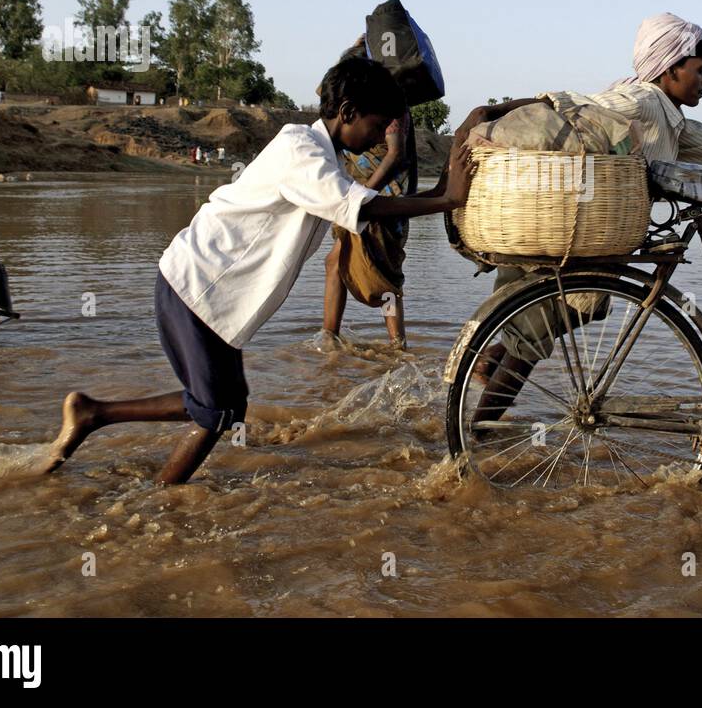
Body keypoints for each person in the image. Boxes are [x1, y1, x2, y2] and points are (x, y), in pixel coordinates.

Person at [42, 55, 475, 484]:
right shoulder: (300, 151)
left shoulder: (319, 156)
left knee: (224, 405)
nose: (382, 134)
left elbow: (357, 200)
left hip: (209, 293)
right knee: (216, 413)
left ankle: (93, 413)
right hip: (198, 287)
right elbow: (360, 205)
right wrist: (445, 200)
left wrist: (439, 188)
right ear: (347, 113)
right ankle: (160, 499)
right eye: (379, 124)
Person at [463, 11, 702, 428]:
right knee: (540, 326)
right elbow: (574, 106)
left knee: (569, 311)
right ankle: (476, 438)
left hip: (578, 227)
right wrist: (493, 111)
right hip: (571, 226)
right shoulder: (639, 101)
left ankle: (491, 365)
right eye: (701, 70)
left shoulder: (675, 122)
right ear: (669, 68)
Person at [319, 40, 420, 349]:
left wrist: (364, 197)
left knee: (385, 271)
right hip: (354, 189)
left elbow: (395, 155)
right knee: (336, 262)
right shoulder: (349, 103)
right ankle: (329, 338)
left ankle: (397, 345)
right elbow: (324, 93)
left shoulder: (389, 104)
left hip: (381, 192)